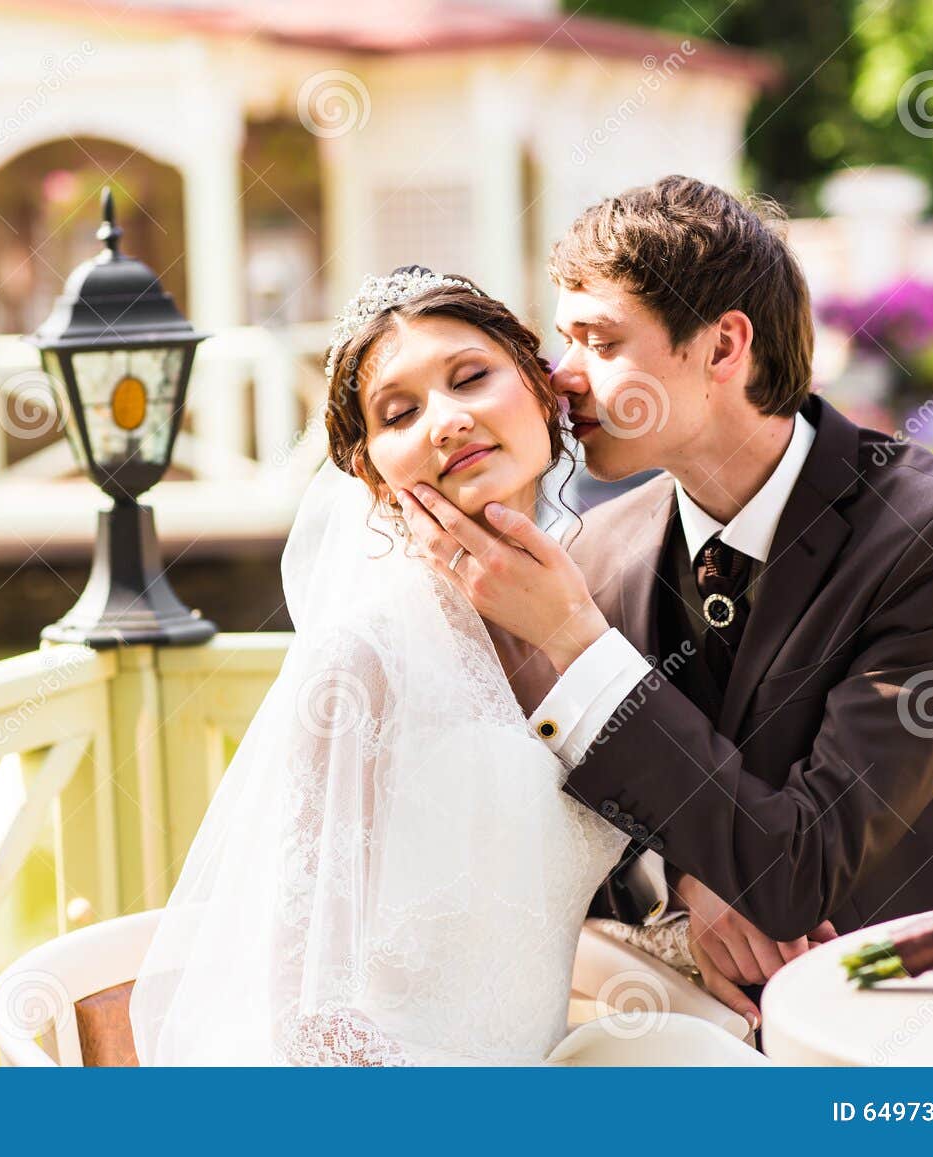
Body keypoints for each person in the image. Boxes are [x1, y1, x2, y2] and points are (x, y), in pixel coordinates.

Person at [397, 176, 933, 1021]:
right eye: (563, 341)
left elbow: (804, 863)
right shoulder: (598, 549)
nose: (562, 379)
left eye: (599, 340)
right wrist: (691, 870)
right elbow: (569, 822)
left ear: (724, 347)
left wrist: (574, 638)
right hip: (697, 1032)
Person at [128, 267, 763, 1066]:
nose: (448, 421)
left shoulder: (591, 614)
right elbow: (310, 1022)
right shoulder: (362, 657)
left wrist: (700, 893)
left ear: (542, 390)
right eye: (400, 413)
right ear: (372, 473)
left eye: (471, 378)